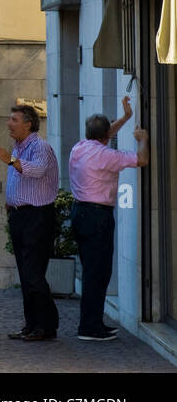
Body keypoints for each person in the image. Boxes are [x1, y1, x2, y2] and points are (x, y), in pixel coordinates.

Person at [68, 98, 150, 341]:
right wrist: (142, 138)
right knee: (98, 273)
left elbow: (103, 133)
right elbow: (142, 160)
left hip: (80, 213)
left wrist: (125, 118)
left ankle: (92, 323)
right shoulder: (107, 155)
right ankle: (89, 327)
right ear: (105, 136)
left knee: (91, 270)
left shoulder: (80, 147)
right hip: (97, 217)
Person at [0, 103, 59, 342]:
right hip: (20, 216)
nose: (9, 124)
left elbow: (38, 171)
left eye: (14, 119)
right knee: (24, 272)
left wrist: (10, 160)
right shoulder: (18, 148)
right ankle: (31, 324)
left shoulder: (41, 147)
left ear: (28, 123)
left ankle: (46, 325)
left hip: (37, 216)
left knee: (33, 273)